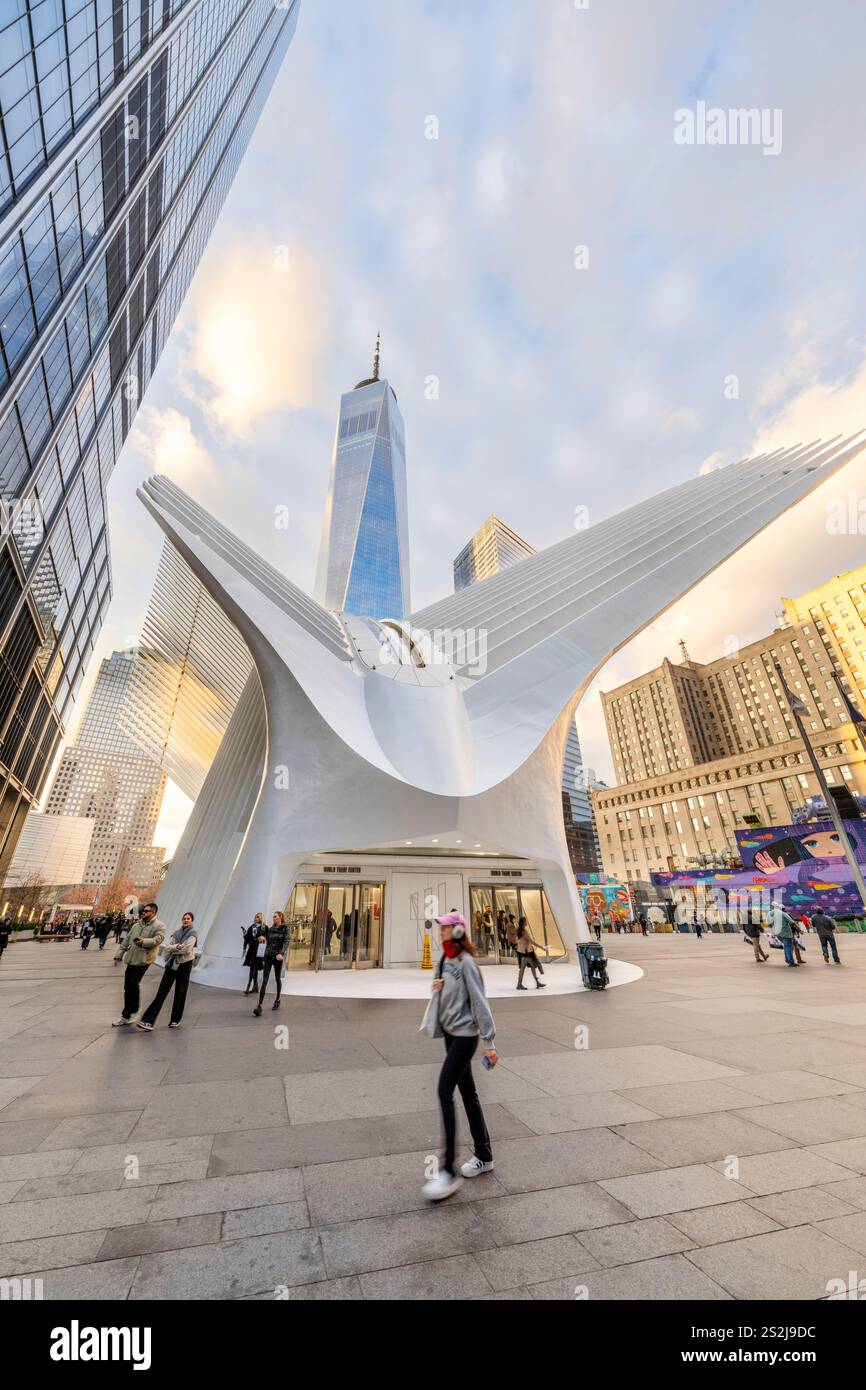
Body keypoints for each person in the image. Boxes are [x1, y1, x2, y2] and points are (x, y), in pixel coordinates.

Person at [420, 912, 497, 1201]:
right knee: (468, 1094)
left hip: (466, 1036)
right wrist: (437, 988)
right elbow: (443, 994)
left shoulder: (466, 963)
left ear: (458, 931)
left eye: (446, 928)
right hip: (451, 1035)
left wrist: (490, 1043)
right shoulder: (443, 961)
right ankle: (484, 1155)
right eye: (440, 928)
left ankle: (448, 1172)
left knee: (444, 1090)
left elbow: (480, 1002)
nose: (441, 933)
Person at [137, 912, 197, 1030]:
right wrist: (176, 947)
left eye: (188, 919)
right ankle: (148, 1020)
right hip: (171, 964)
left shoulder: (193, 934)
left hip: (185, 964)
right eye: (184, 918)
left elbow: (186, 949)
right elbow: (167, 947)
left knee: (180, 992)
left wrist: (174, 948)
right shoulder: (176, 933)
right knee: (161, 992)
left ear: (192, 921)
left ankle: (175, 1020)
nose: (186, 920)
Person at [112, 903, 166, 1026]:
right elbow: (127, 940)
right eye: (143, 911)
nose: (143, 913)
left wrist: (144, 942)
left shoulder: (160, 925)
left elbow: (158, 939)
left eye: (147, 911)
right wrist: (118, 955)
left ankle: (134, 1009)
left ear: (153, 912)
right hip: (132, 958)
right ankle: (126, 1016)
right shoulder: (136, 925)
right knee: (127, 987)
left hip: (144, 959)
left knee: (133, 983)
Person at [253, 910, 288, 1016]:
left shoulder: (285, 928)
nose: (273, 918)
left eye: (275, 916)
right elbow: (268, 939)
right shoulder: (271, 929)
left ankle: (277, 999)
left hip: (277, 957)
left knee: (277, 979)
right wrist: (264, 938)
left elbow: (286, 942)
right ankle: (259, 1005)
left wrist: (282, 953)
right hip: (268, 956)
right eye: (273, 917)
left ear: (280, 917)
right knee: (265, 980)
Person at [515, 917, 546, 990]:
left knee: (528, 967)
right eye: (526, 921)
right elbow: (531, 941)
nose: (527, 922)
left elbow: (517, 941)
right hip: (527, 952)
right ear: (523, 922)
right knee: (531, 966)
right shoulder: (524, 931)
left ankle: (535, 982)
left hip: (522, 951)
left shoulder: (518, 930)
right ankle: (520, 984)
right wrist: (541, 947)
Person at [242, 913, 265, 994]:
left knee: (253, 966)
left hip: (259, 949)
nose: (256, 918)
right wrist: (245, 934)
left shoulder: (264, 927)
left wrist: (264, 937)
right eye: (255, 916)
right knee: (253, 967)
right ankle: (255, 986)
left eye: (258, 917)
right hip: (252, 949)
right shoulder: (252, 927)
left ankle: (249, 985)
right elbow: (248, 938)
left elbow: (269, 937)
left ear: (261, 918)